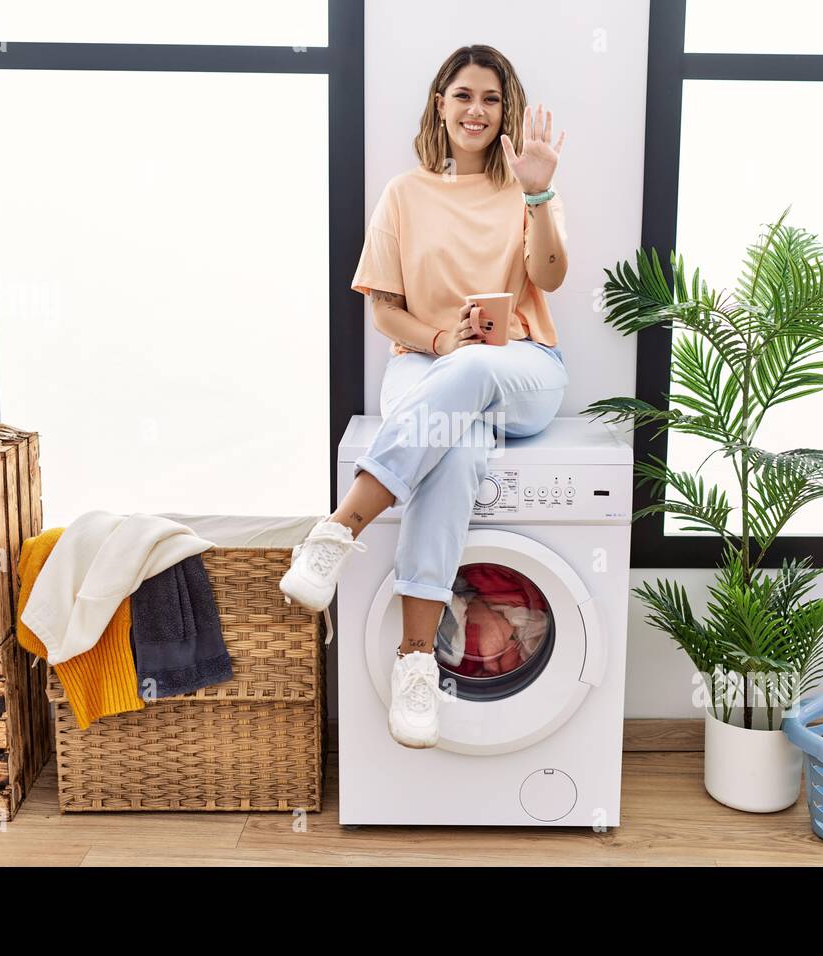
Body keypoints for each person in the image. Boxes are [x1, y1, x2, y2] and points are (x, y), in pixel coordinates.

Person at [280, 44, 569, 749]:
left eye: (492, 98)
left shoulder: (524, 189)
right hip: (426, 362)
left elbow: (552, 277)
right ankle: (417, 663)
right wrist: (444, 341)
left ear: (508, 111)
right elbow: (385, 312)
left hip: (522, 368)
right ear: (440, 103)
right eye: (464, 94)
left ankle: (340, 529)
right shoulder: (404, 195)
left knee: (474, 377)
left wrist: (539, 192)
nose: (477, 109)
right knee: (460, 449)